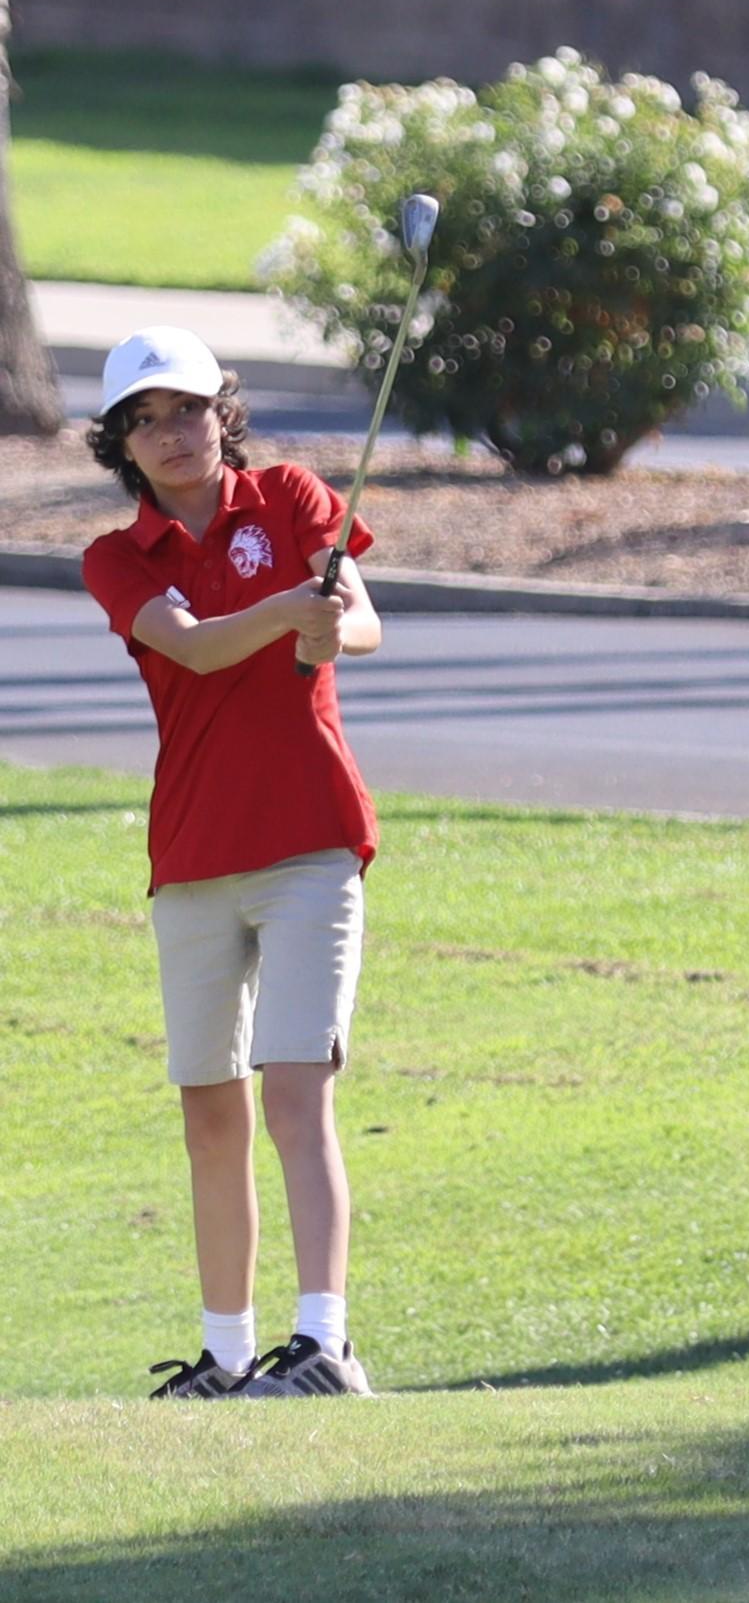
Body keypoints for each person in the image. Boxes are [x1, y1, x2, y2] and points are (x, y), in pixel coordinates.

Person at [81, 326, 383, 1398]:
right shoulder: (116, 559)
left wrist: (327, 626)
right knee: (209, 1108)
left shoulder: (296, 498)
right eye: (143, 421)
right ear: (120, 444)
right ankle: (225, 1354)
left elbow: (366, 626)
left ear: (224, 413)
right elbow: (196, 643)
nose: (170, 435)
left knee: (295, 1094)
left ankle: (324, 1343)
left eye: (187, 411)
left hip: (309, 840)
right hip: (194, 852)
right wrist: (282, 616)